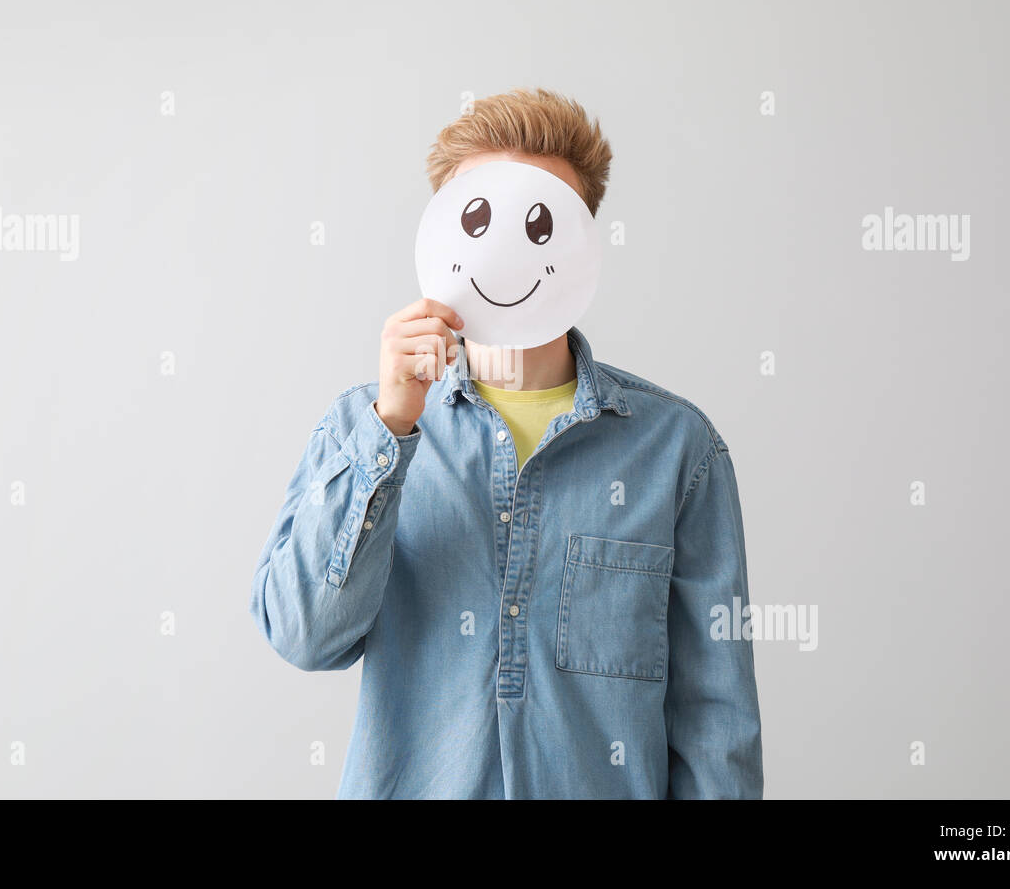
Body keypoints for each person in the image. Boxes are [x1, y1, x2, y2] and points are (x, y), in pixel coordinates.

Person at [251, 88, 763, 798]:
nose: (505, 250)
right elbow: (305, 637)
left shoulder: (678, 451)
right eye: (479, 221)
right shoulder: (359, 426)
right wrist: (390, 426)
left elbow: (717, 721)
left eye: (540, 223)